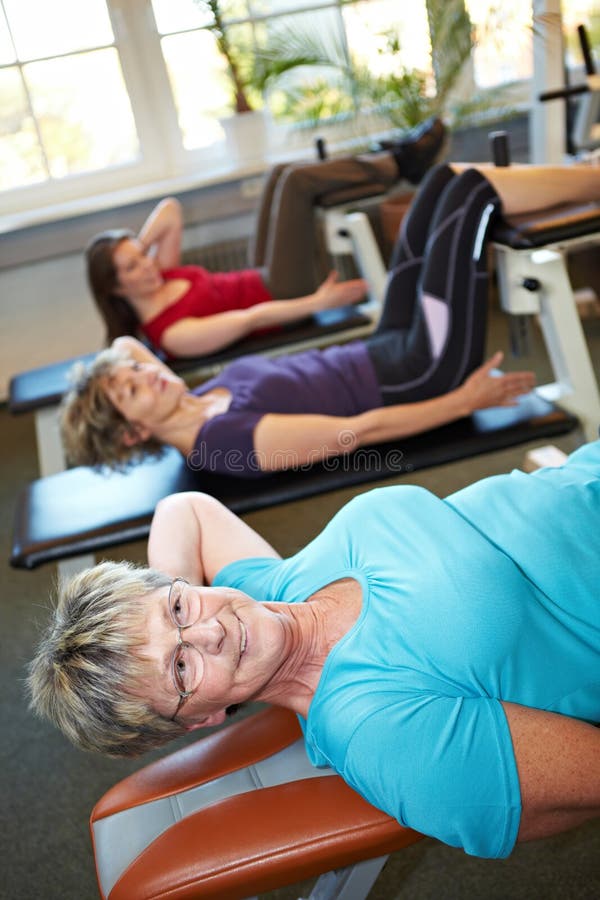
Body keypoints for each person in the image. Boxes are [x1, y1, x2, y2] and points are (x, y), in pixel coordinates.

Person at [27, 439, 600, 859]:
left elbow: (184, 510)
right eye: (181, 670)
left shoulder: (268, 593)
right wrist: (171, 623)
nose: (210, 632)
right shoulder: (378, 729)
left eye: (176, 609)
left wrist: (170, 616)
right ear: (197, 721)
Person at [62, 164, 537, 477]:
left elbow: (126, 345)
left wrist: (110, 380)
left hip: (382, 346)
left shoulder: (190, 399)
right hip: (422, 372)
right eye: (133, 390)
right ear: (133, 434)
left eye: (141, 374)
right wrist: (462, 401)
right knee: (467, 194)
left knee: (437, 186)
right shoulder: (220, 443)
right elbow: (358, 433)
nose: (150, 376)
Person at [86, 119, 447, 357]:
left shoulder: (160, 272)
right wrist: (318, 303)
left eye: (143, 255)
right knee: (296, 184)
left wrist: (137, 250)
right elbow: (252, 319)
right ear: (115, 289)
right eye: (133, 267)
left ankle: (390, 168)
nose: (148, 265)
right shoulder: (172, 334)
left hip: (259, 277)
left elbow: (170, 209)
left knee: (279, 175)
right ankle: (398, 163)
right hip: (282, 295)